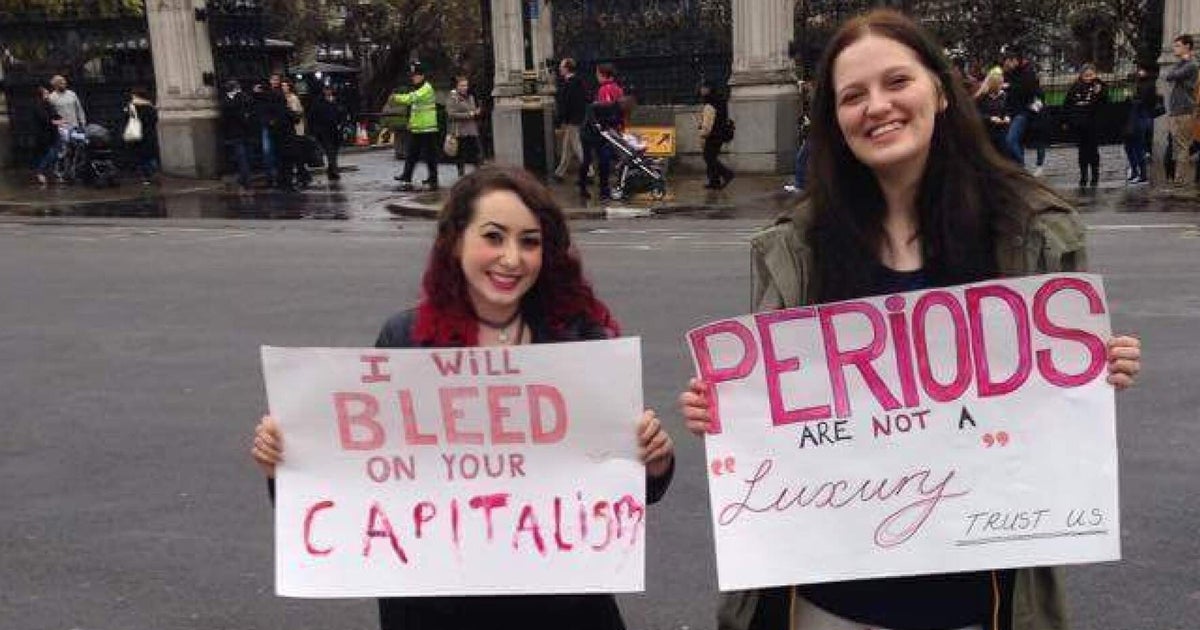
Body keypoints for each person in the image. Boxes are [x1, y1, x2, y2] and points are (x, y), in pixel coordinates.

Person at [677, 10, 1141, 630]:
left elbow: (1053, 414)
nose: (877, 106)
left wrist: (1098, 367)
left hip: (976, 599)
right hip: (826, 601)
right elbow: (774, 415)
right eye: (852, 96)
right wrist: (725, 409)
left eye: (897, 82)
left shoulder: (1027, 230)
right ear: (834, 120)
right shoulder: (798, 244)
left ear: (941, 92)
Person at [251, 166, 675, 630]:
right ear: (455, 241)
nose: (512, 258)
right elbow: (361, 481)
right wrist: (286, 463)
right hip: (438, 608)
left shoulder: (577, 337)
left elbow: (622, 485)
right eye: (493, 237)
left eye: (529, 242)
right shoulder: (407, 340)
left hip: (561, 605)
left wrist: (654, 461)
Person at [579, 63, 624, 201]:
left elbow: (602, 110)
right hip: (604, 130)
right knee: (604, 160)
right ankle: (604, 190)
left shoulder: (604, 90)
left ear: (603, 75)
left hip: (594, 131)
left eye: (597, 74)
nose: (596, 77)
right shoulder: (618, 89)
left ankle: (584, 188)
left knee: (588, 160)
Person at [392, 62, 440, 191]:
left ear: (422, 76)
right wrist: (411, 122)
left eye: (415, 75)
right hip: (418, 127)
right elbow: (414, 109)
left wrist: (395, 97)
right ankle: (407, 176)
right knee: (412, 153)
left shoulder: (426, 88)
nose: (413, 78)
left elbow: (411, 99)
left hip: (428, 127)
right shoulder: (418, 87)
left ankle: (433, 178)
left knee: (429, 155)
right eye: (412, 75)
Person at [1064, 64, 1107, 187]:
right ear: (1081, 76)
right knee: (1082, 151)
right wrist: (1066, 121)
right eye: (1086, 75)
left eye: (1091, 75)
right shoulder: (1075, 87)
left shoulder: (1099, 86)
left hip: (1093, 124)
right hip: (1080, 125)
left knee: (1093, 151)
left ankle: (1095, 175)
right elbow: (1068, 105)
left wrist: (1099, 93)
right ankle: (1083, 175)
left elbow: (1104, 103)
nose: (1088, 78)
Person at [1163, 35, 1197, 186]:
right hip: (1176, 110)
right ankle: (1178, 177)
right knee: (1177, 146)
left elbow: (1172, 75)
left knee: (1183, 146)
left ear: (1187, 47)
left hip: (1185, 109)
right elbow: (1169, 75)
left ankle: (1180, 179)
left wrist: (1181, 63)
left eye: (1177, 45)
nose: (1174, 48)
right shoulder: (1181, 64)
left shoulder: (1191, 65)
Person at [1001, 46, 1041, 166]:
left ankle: (1021, 164)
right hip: (1011, 111)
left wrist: (1009, 87)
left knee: (1010, 140)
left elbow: (1027, 91)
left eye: (1009, 61)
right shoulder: (1010, 72)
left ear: (1015, 60)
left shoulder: (1028, 72)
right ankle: (1019, 167)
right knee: (1016, 142)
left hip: (1022, 111)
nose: (1007, 64)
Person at [553, 57, 588, 182]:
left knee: (577, 147)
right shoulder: (579, 82)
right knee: (567, 147)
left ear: (567, 69)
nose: (559, 69)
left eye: (561, 67)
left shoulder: (569, 84)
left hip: (572, 120)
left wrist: (559, 121)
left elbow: (566, 104)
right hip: (577, 118)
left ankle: (589, 171)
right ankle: (559, 172)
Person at [1123, 64, 1157, 186]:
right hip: (1130, 118)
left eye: (1141, 70)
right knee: (1128, 147)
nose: (1139, 72)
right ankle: (1134, 172)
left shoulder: (1149, 84)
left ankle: (1142, 175)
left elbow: (1146, 102)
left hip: (1141, 117)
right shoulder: (1134, 83)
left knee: (1138, 147)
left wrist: (1132, 98)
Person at [698, 80, 735, 190]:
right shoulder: (720, 100)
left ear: (708, 89)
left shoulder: (710, 103)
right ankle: (714, 181)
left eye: (703, 88)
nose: (701, 90)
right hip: (721, 133)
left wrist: (703, 133)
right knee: (711, 157)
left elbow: (708, 121)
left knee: (709, 157)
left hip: (713, 134)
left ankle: (727, 174)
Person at [220, 80, 256, 190]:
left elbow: (250, 105)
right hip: (237, 132)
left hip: (243, 131)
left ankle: (244, 178)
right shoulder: (229, 101)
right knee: (242, 157)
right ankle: (246, 179)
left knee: (245, 156)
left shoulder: (240, 98)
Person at [255, 74, 290, 188]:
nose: (275, 81)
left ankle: (277, 177)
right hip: (269, 125)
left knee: (276, 152)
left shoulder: (279, 93)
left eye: (277, 80)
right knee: (268, 152)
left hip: (278, 126)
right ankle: (271, 176)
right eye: (273, 79)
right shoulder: (267, 92)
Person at [445, 76, 483, 177]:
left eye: (466, 85)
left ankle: (479, 172)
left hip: (472, 129)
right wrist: (469, 114)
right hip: (459, 130)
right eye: (462, 85)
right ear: (457, 86)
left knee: (477, 151)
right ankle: (461, 173)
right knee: (461, 153)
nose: (464, 88)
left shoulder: (470, 97)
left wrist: (476, 112)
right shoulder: (453, 97)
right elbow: (451, 114)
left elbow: (473, 110)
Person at [307, 84, 345, 182]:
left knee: (334, 151)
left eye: (329, 89)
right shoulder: (318, 102)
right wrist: (314, 130)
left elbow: (341, 113)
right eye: (326, 90)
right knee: (329, 150)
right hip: (324, 131)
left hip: (335, 130)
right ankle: (334, 170)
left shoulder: (336, 101)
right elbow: (312, 116)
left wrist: (341, 124)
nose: (328, 92)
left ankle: (331, 170)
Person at [123, 87, 159, 184]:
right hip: (149, 134)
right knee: (150, 155)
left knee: (140, 156)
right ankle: (153, 174)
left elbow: (127, 118)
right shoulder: (150, 106)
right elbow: (155, 119)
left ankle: (144, 176)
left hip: (137, 134)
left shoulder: (132, 106)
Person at [975, 67, 1011, 158]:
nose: (1002, 85)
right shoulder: (983, 97)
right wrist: (990, 118)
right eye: (1000, 84)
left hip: (1000, 130)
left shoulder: (1004, 96)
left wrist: (1007, 117)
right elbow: (977, 114)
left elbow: (1007, 110)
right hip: (987, 131)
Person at [281, 80, 311, 189]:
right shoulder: (283, 98)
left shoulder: (293, 98)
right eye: (282, 86)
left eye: (285, 86)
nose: (283, 88)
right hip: (290, 130)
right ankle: (303, 175)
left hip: (297, 129)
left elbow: (296, 114)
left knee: (298, 155)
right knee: (296, 155)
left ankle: (303, 176)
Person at [31, 86, 63, 186]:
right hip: (44, 134)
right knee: (51, 153)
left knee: (55, 153)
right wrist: (55, 122)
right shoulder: (37, 106)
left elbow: (55, 114)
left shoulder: (49, 104)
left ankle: (51, 172)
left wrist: (60, 119)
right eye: (46, 94)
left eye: (48, 93)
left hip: (54, 133)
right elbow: (44, 119)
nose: (48, 95)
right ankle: (40, 172)